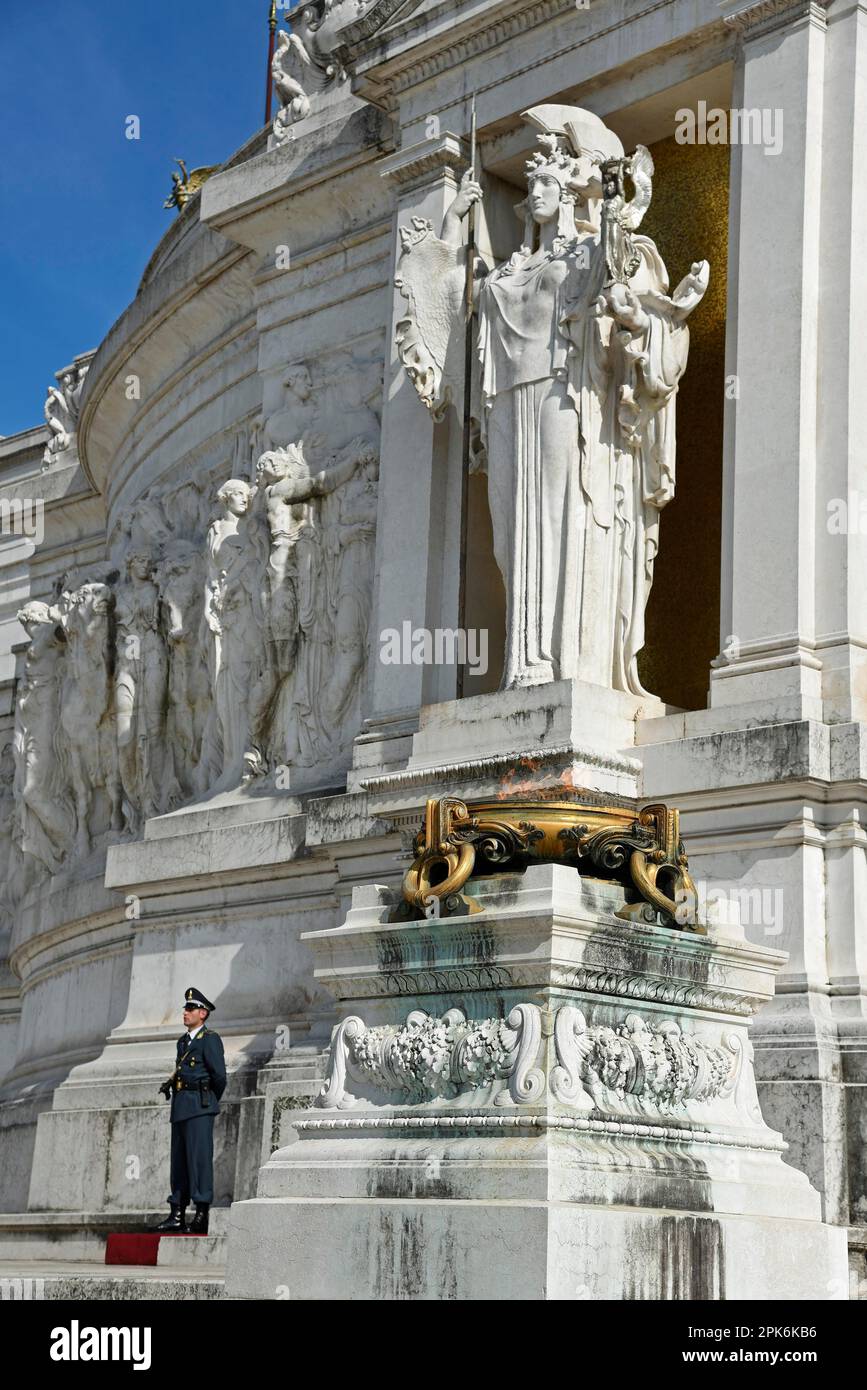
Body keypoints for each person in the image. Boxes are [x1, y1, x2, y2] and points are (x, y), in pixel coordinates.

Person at [152, 987, 226, 1235]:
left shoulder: (210, 1039)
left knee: (199, 1161)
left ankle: (201, 1212)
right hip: (181, 1106)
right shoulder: (182, 1042)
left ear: (203, 1013)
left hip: (199, 1106)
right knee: (179, 1162)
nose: (185, 1012)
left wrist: (207, 1101)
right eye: (185, 1008)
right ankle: (177, 1212)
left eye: (191, 1009)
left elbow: (220, 1077)